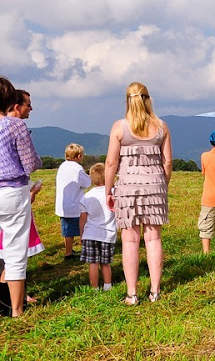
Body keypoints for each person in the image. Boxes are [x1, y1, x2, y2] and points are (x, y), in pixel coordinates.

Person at [105, 82, 172, 305]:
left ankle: (132, 293)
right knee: (153, 238)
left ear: (128, 100)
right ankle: (155, 291)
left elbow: (111, 162)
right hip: (155, 185)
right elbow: (168, 162)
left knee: (130, 241)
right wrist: (163, 185)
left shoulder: (119, 127)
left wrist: (108, 190)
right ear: (148, 99)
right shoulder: (161, 126)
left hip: (127, 187)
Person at [0, 76, 42, 317]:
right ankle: (16, 310)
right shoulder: (15, 126)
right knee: (15, 249)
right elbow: (30, 163)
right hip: (11, 191)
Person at [79, 163, 116, 291]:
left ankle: (94, 288)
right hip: (108, 233)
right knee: (105, 262)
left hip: (90, 234)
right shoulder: (113, 194)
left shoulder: (86, 197)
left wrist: (82, 234)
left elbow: (83, 218)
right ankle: (108, 285)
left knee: (93, 263)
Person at [55, 143, 91, 260]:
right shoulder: (78, 169)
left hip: (62, 205)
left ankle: (68, 251)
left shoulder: (62, 166)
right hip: (75, 205)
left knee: (67, 231)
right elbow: (87, 183)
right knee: (83, 228)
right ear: (79, 156)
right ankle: (85, 249)